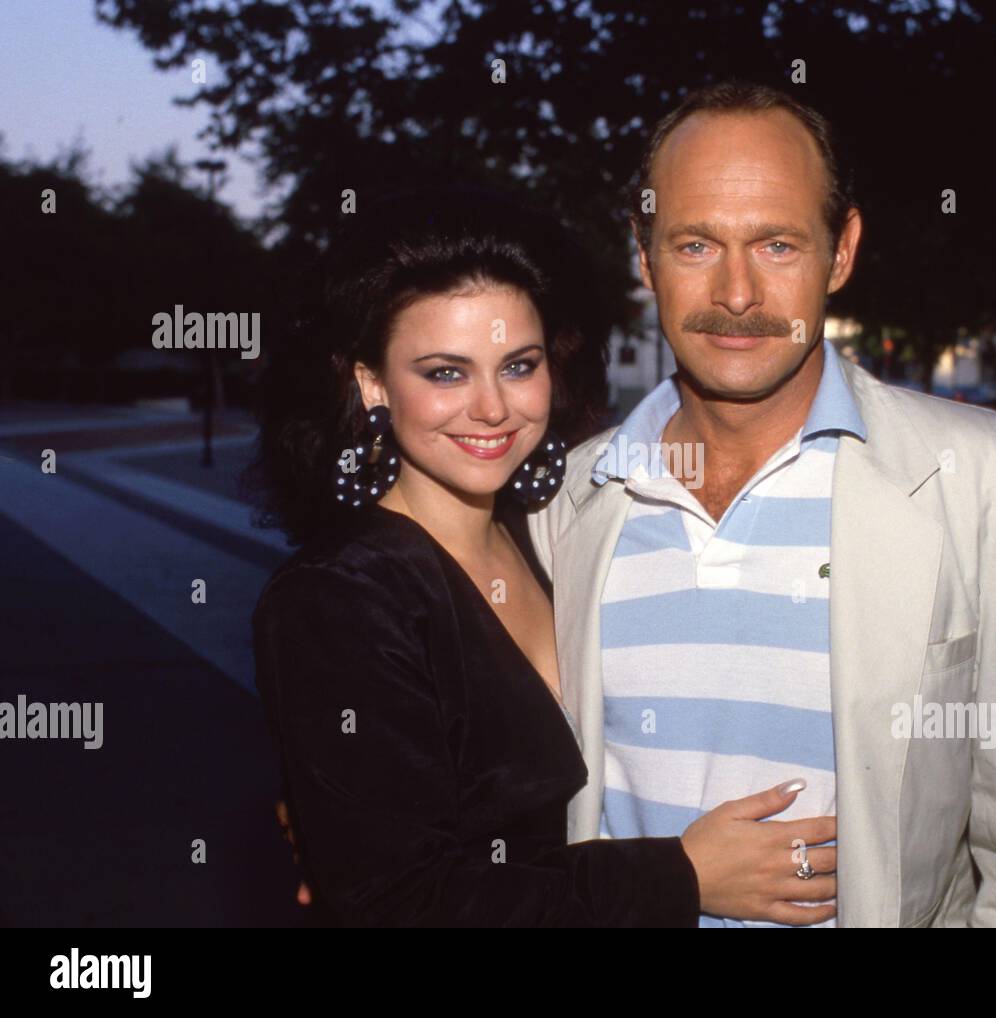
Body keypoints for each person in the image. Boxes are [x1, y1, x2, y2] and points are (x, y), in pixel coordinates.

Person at [526, 81, 996, 927]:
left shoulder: (984, 477)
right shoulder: (564, 497)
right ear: (642, 256)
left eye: (777, 245)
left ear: (841, 252)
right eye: (694, 245)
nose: (736, 294)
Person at [248, 185, 838, 926]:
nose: (493, 407)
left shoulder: (553, 531)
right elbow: (403, 902)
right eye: (445, 372)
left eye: (518, 365)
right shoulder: (339, 600)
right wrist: (681, 876)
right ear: (372, 383)